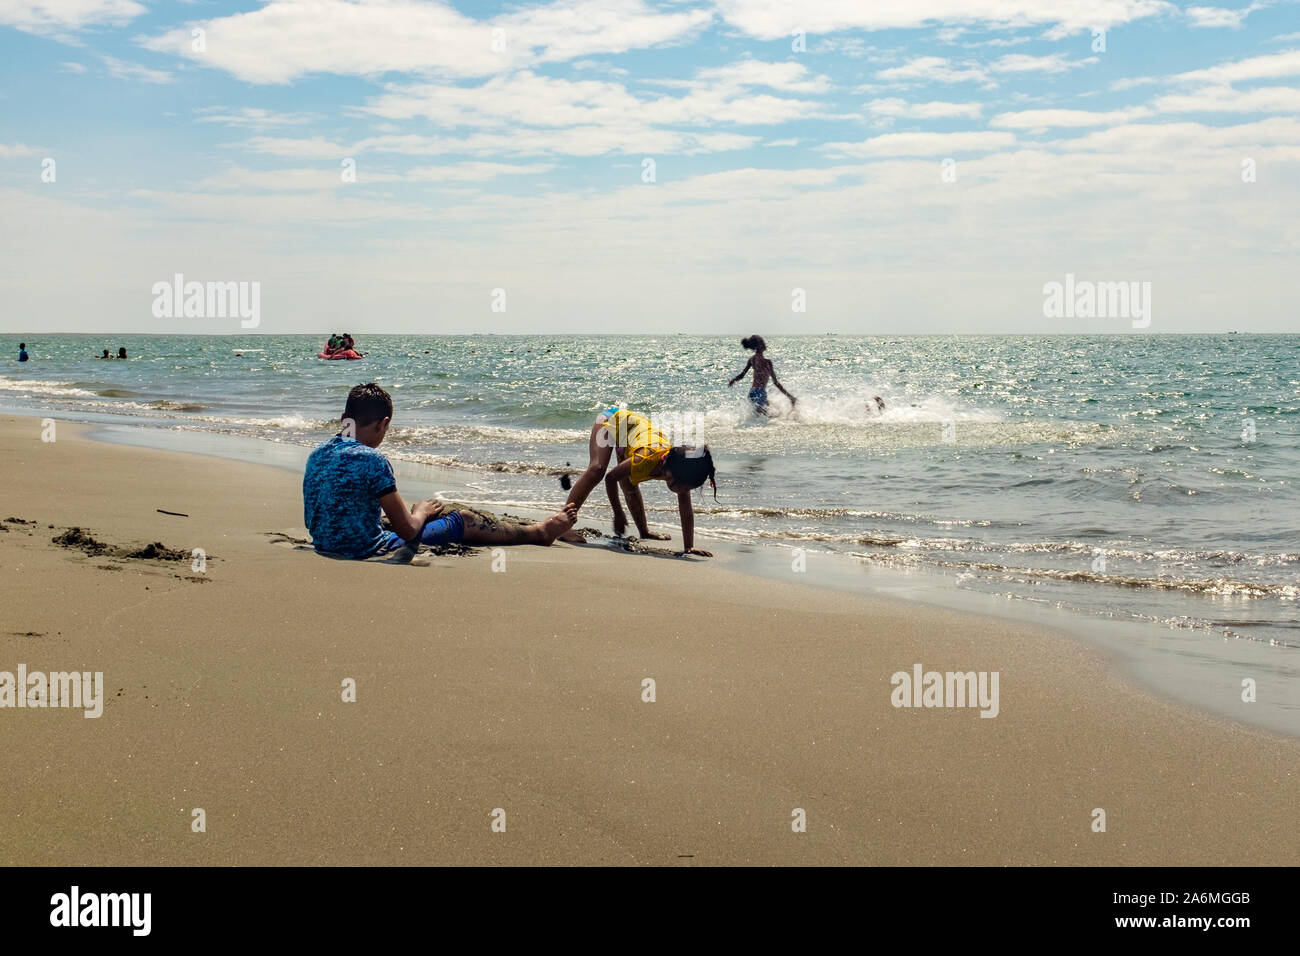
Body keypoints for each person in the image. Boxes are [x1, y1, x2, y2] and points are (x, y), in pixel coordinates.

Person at [303, 383, 576, 559]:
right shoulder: (373, 459)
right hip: (366, 549)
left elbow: (312, 518)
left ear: (344, 419)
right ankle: (540, 532)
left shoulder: (316, 455)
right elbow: (409, 532)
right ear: (383, 424)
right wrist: (419, 512)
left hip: (324, 544)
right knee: (464, 519)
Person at [563, 406, 716, 557]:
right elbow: (610, 478)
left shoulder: (679, 468)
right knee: (597, 469)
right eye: (675, 484)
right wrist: (618, 513)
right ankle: (563, 525)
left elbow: (686, 510)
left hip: (632, 432)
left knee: (629, 483)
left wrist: (689, 546)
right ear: (667, 466)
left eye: (684, 488)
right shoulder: (645, 458)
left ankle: (644, 531)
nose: (679, 490)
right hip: (611, 420)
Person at [728, 335, 795, 415]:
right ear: (760, 345)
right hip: (760, 393)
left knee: (768, 416)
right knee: (765, 419)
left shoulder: (752, 359)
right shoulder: (767, 362)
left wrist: (733, 380)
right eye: (763, 342)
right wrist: (789, 396)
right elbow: (776, 383)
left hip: (752, 392)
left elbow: (742, 375)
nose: (765, 344)